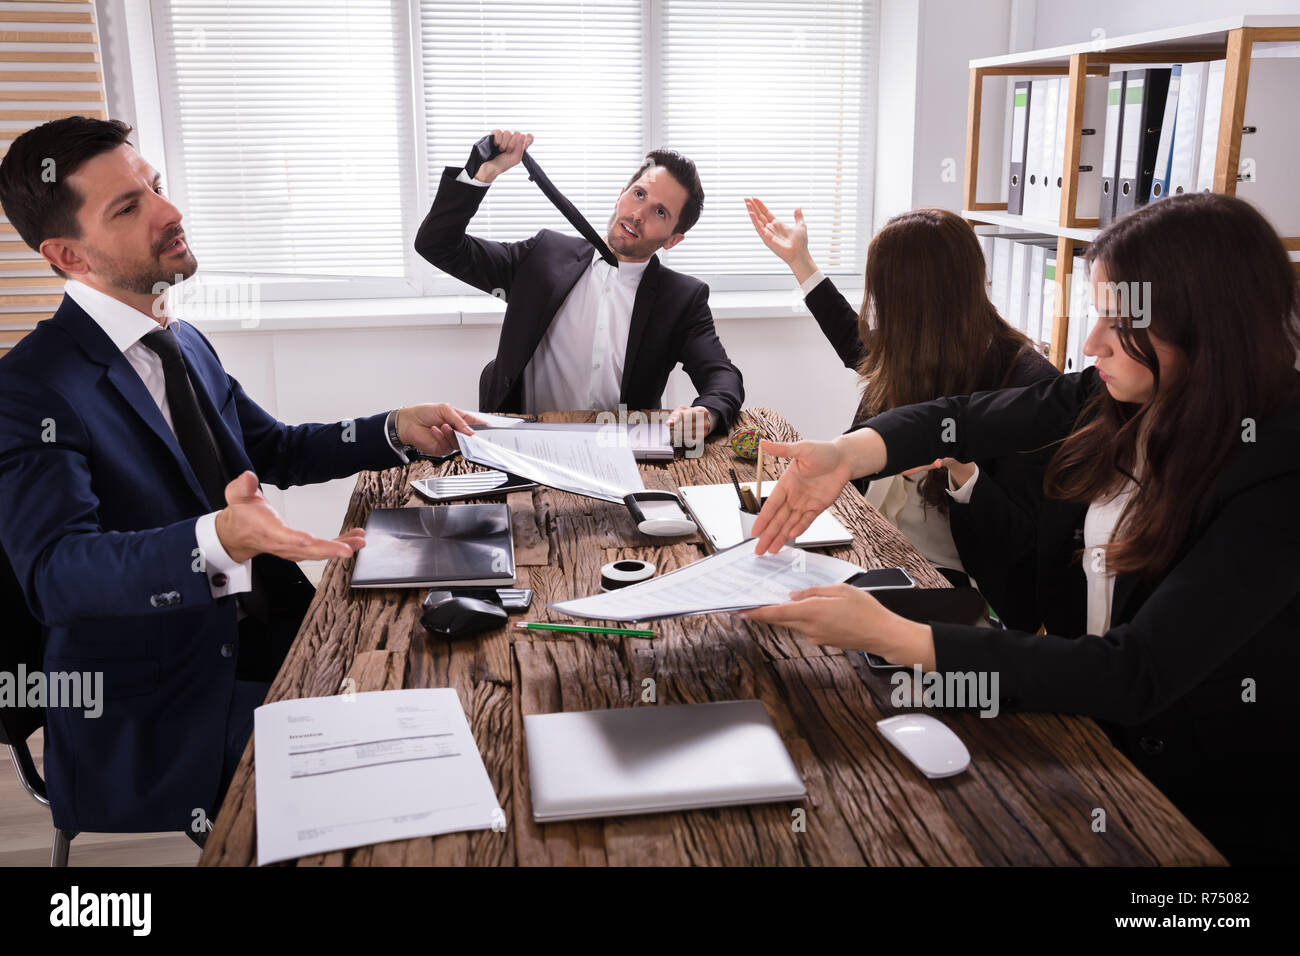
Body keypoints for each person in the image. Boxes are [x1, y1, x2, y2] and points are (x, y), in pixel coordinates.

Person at [745, 192, 1300, 866]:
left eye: (1119, 321)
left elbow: (1135, 672)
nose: (1091, 343)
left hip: (1202, 805)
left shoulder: (1277, 467)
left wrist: (892, 634)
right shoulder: (1116, 396)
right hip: (1083, 740)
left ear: (1207, 324)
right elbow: (961, 416)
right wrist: (845, 453)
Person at [0, 116, 481, 835]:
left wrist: (391, 429)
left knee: (455, 686)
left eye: (154, 187)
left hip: (263, 635)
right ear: (69, 254)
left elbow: (272, 450)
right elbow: (58, 573)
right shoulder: (30, 389)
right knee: (416, 768)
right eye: (128, 208)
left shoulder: (178, 338)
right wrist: (215, 539)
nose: (170, 211)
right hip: (158, 708)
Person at [745, 199, 1057, 626]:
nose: (878, 311)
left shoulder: (1027, 382)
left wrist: (962, 468)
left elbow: (1025, 548)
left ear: (914, 305)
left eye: (884, 297)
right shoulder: (912, 352)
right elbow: (853, 342)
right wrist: (801, 261)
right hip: (871, 542)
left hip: (957, 584)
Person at [417, 130, 743, 447]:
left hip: (621, 455)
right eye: (639, 194)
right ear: (622, 193)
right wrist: (483, 173)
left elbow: (722, 376)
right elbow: (438, 245)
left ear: (673, 239)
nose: (638, 214)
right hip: (522, 445)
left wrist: (707, 413)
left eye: (660, 212)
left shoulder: (683, 299)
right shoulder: (543, 255)